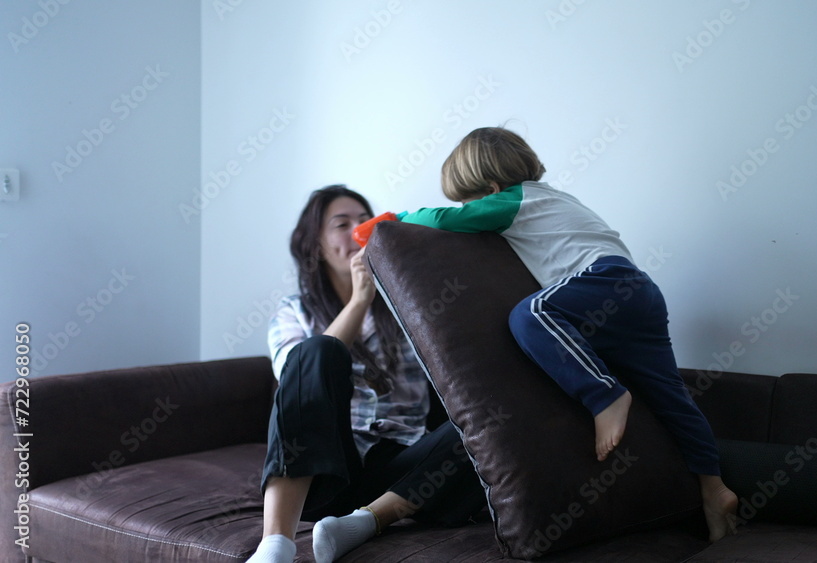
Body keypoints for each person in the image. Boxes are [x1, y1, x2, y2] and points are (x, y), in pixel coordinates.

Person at [393, 127, 738, 542]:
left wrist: (397, 220)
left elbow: (445, 220)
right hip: (638, 296)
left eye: (471, 199)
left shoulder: (515, 200)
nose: (470, 208)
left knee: (529, 315)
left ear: (492, 188)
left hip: (606, 282)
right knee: (672, 398)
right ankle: (713, 487)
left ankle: (605, 396)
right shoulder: (558, 199)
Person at [247, 185, 485, 563]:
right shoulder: (294, 312)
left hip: (403, 471)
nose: (358, 230)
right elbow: (294, 376)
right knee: (315, 351)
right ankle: (275, 545)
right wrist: (360, 300)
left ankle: (363, 523)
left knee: (487, 421)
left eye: (364, 221)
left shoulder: (407, 307)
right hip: (329, 469)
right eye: (342, 224)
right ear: (315, 245)